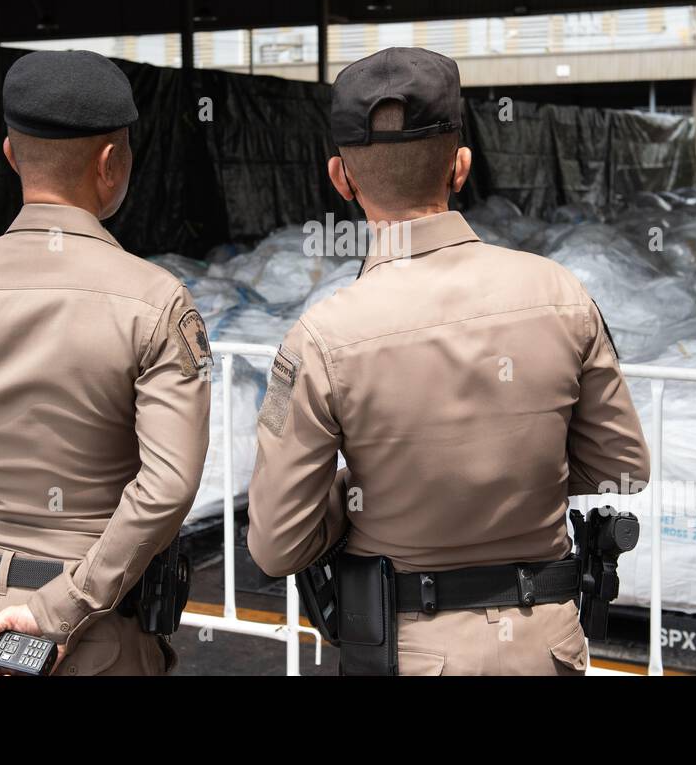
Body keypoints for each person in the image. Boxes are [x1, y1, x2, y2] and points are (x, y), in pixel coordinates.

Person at [246, 47, 650, 675]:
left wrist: (363, 490)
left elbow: (277, 544)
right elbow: (623, 468)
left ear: (341, 179)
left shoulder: (318, 341)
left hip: (409, 651)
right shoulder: (562, 295)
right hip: (548, 647)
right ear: (461, 166)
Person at [0, 50, 211, 676]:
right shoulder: (154, 303)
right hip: (93, 629)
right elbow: (167, 486)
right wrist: (63, 607)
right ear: (112, 164)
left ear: (11, 156)